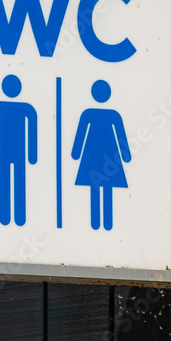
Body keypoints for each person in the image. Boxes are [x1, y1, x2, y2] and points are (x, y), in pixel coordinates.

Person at [71, 80, 131, 230]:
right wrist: (126, 155)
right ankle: (100, 223)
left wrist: (76, 153)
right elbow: (120, 136)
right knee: (103, 185)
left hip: (96, 155)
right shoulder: (108, 115)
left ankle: (99, 223)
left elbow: (81, 135)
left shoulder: (91, 114)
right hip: (104, 154)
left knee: (97, 186)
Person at [0, 74, 37, 226]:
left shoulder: (25, 108)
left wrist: (32, 155)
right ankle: (6, 216)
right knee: (7, 180)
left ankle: (18, 217)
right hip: (9, 151)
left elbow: (32, 130)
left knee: (16, 180)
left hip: (13, 152)